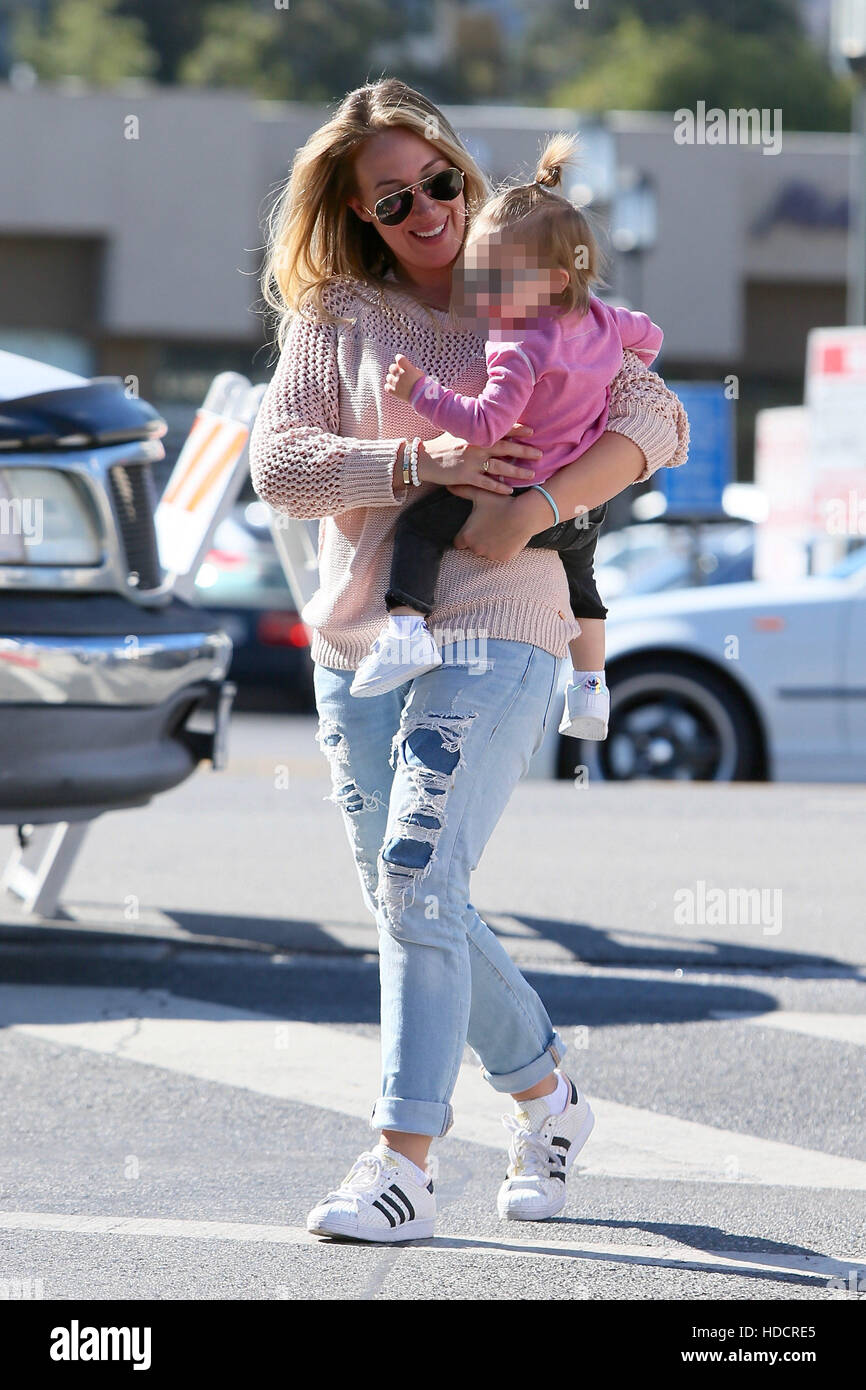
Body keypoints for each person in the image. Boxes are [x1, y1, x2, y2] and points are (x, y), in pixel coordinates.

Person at [249, 77, 689, 1243]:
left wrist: (532, 505)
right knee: (412, 894)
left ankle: (402, 1160)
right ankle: (548, 1093)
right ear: (360, 219)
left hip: (502, 622)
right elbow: (281, 465)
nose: (426, 209)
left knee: (414, 878)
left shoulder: (535, 281)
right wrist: (416, 468)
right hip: (362, 637)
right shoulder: (340, 315)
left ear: (461, 169)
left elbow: (658, 422)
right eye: (392, 201)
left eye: (436, 179)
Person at [350, 132, 665, 747]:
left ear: (550, 279)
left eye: (495, 279)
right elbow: (649, 338)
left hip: (510, 488)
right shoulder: (603, 322)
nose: (483, 294)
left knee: (418, 529)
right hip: (580, 506)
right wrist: (598, 390)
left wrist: (420, 393)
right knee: (585, 589)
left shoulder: (520, 345)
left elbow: (485, 427)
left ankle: (406, 631)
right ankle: (591, 690)